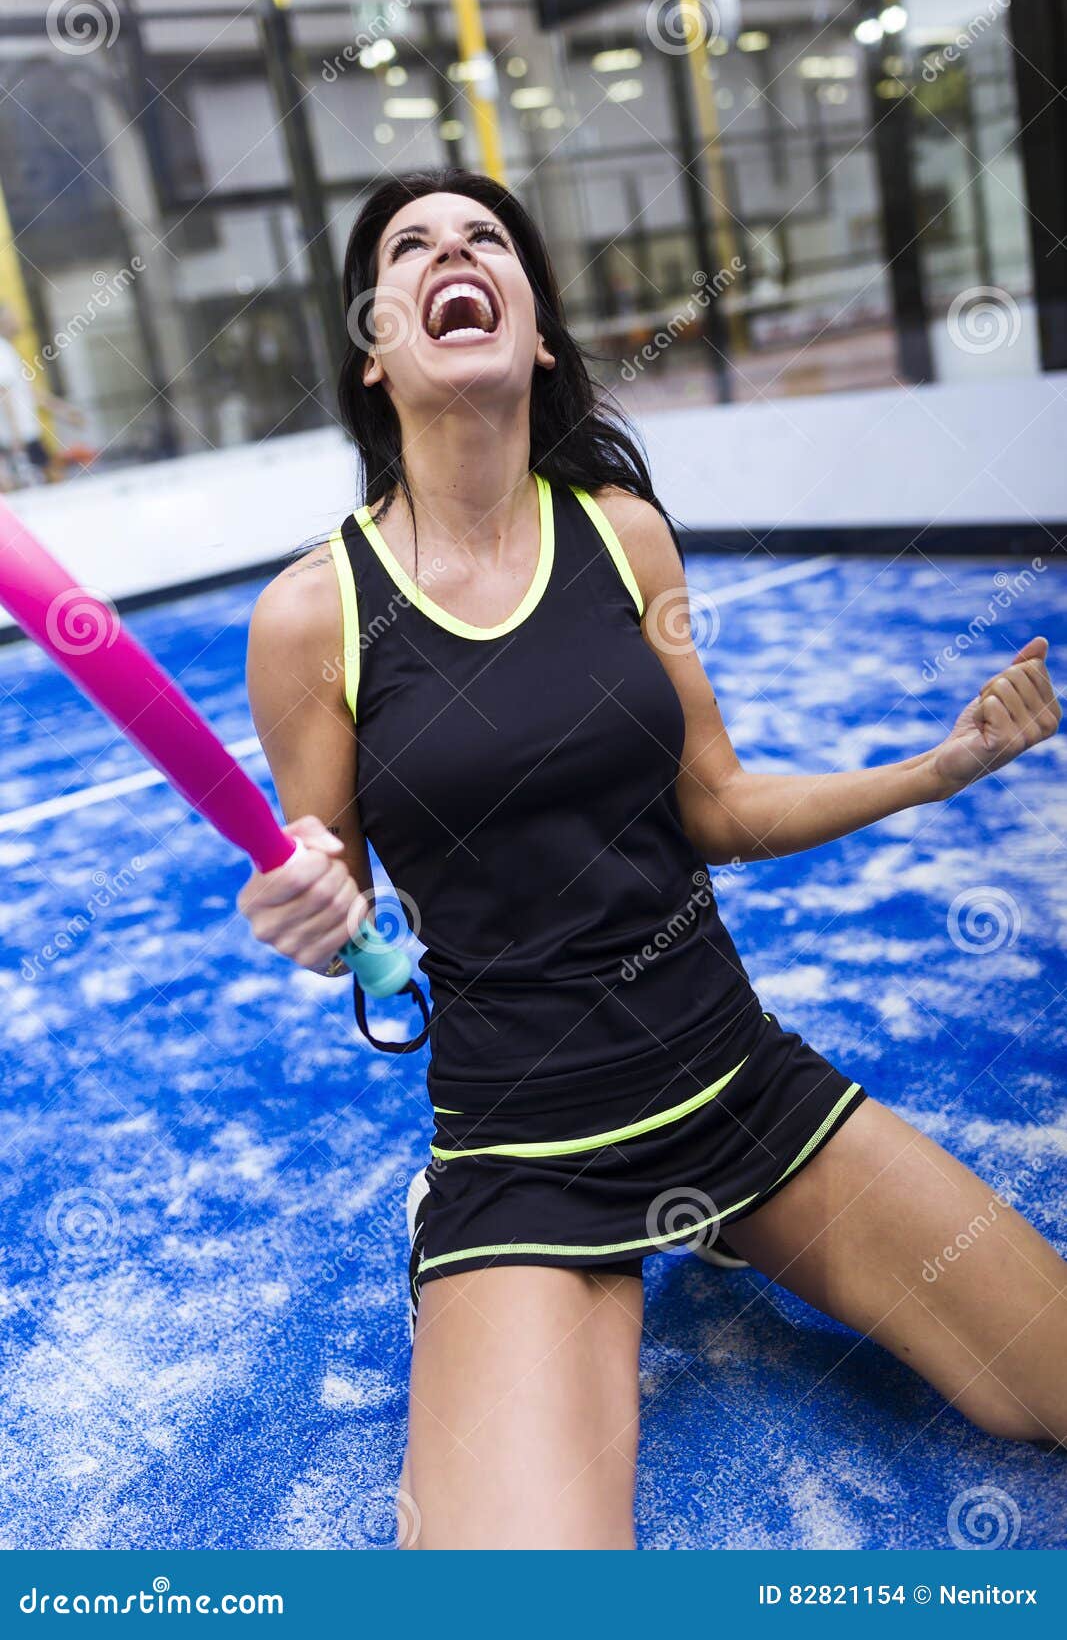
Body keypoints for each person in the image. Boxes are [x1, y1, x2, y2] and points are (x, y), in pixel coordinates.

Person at [237, 169, 1065, 1551]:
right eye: (412, 246)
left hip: (735, 1079)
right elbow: (338, 890)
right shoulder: (309, 615)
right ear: (372, 347)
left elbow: (717, 806)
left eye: (486, 238)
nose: (457, 253)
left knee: (1041, 1384)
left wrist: (941, 764)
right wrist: (317, 912)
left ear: (537, 332)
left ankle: (731, 1220)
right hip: (522, 1145)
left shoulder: (623, 536)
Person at [0, 302, 84, 488]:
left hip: (24, 435)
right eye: (11, 317)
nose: (17, 320)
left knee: (48, 481)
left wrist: (63, 411)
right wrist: (16, 440)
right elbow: (4, 393)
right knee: (42, 482)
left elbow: (30, 393)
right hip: (18, 438)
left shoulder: (9, 350)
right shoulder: (1, 351)